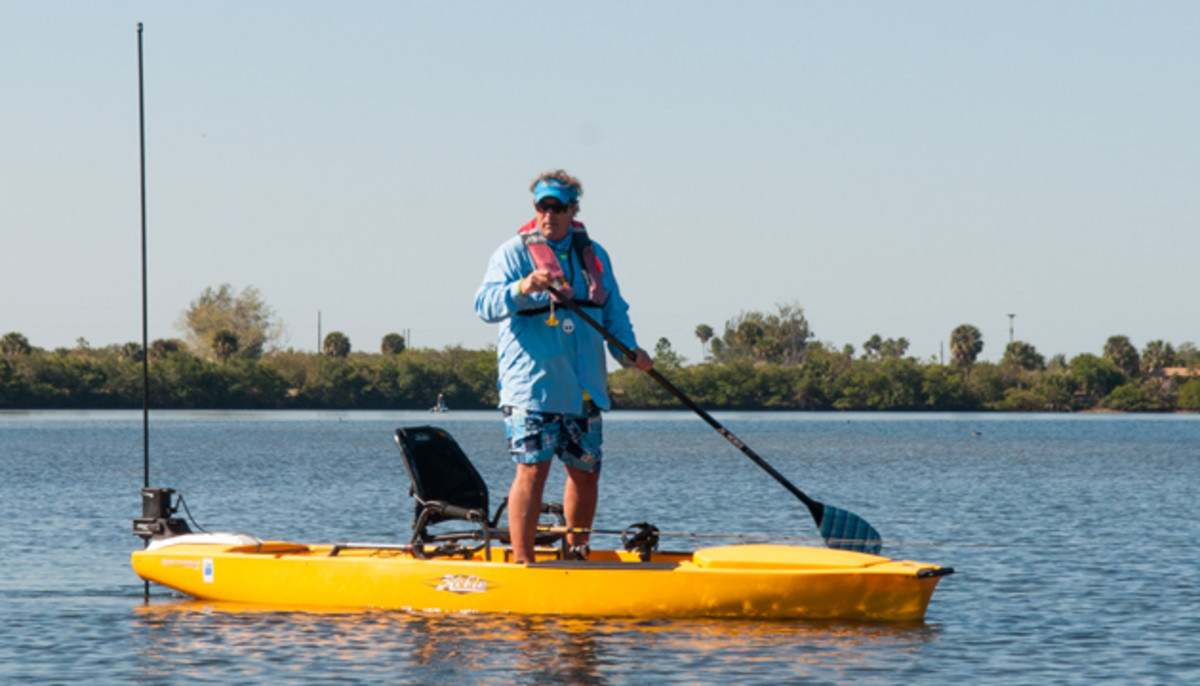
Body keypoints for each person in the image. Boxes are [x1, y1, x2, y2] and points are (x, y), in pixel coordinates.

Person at [474, 170, 653, 564]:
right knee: (532, 470)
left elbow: (614, 313)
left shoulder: (596, 255)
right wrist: (522, 288)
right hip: (532, 389)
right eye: (543, 206)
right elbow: (483, 305)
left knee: (585, 473)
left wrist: (629, 352)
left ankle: (576, 557)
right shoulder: (512, 253)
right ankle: (523, 562)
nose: (549, 214)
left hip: (583, 389)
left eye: (558, 207)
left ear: (573, 210)